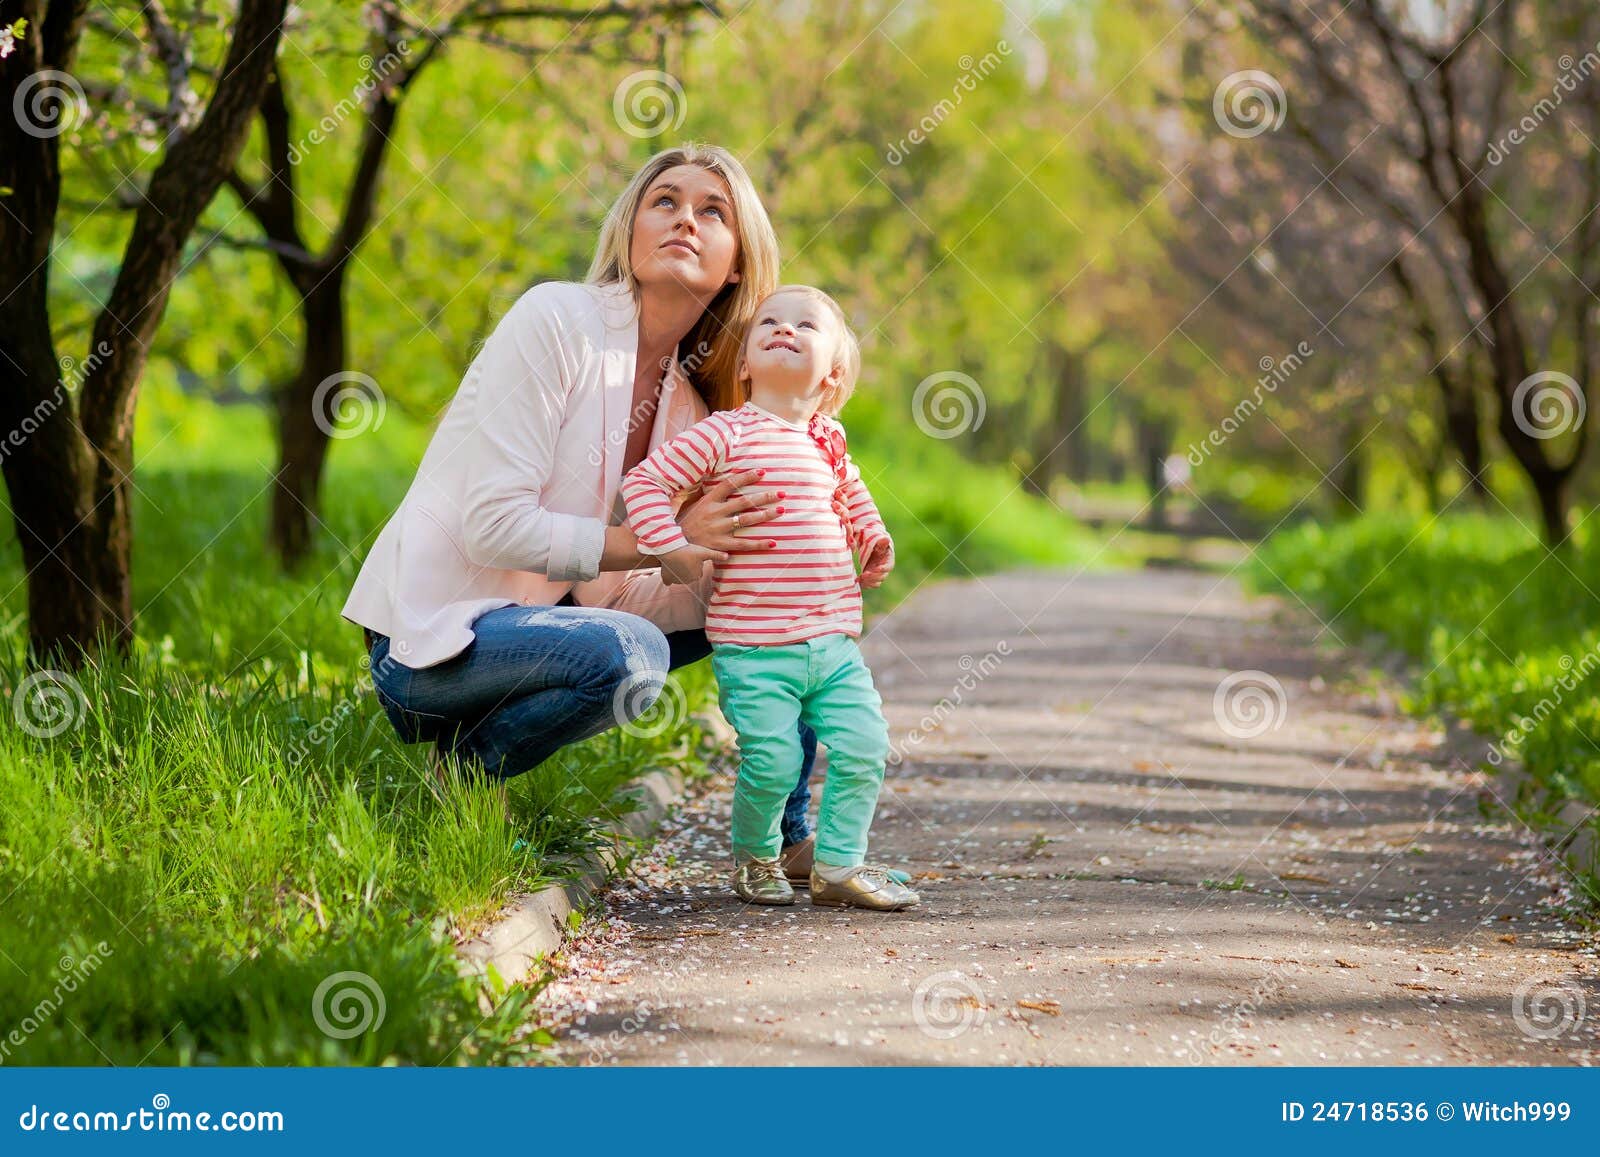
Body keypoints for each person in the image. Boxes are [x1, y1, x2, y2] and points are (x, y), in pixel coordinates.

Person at [340, 146, 821, 865]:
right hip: (431, 645)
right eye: (664, 201)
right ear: (630, 229)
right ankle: (469, 770)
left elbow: (610, 591)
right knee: (632, 657)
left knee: (778, 620)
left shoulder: (687, 403)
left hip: (544, 629)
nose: (684, 218)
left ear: (739, 263)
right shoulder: (558, 320)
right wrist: (663, 540)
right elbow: (495, 526)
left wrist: (761, 577)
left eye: (711, 210)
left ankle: (796, 840)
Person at [621, 286, 918, 911]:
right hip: (755, 644)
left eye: (806, 325)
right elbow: (645, 483)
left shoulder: (829, 440)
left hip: (834, 642)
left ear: (832, 373)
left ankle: (838, 867)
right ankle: (757, 857)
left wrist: (875, 539)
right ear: (747, 363)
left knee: (865, 745)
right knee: (777, 760)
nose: (784, 329)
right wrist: (668, 546)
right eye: (769, 324)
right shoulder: (725, 434)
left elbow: (851, 501)